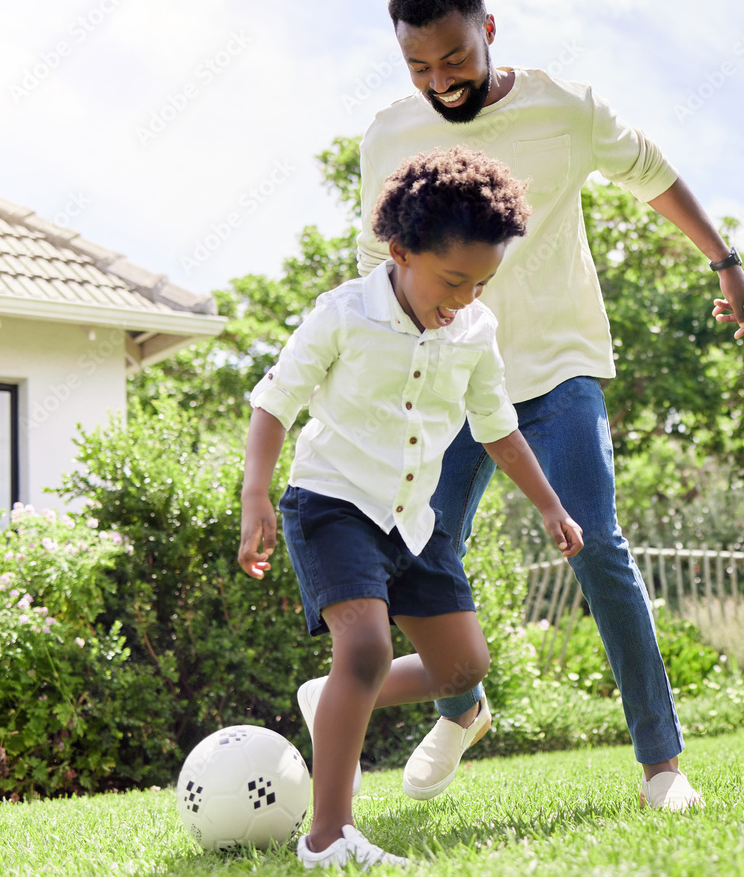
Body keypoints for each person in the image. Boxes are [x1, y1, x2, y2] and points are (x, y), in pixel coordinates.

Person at [351, 0, 744, 812]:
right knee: (421, 556)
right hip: (452, 381)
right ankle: (463, 709)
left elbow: (651, 172)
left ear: (489, 31)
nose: (440, 82)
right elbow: (374, 261)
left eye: (454, 59)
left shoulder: (563, 110)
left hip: (555, 369)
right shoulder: (388, 135)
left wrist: (723, 260)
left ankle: (662, 766)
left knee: (597, 545)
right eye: (419, 68)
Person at [238, 146, 583, 869]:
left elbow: (498, 428)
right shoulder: (344, 313)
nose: (464, 298)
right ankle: (328, 837)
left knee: (464, 670)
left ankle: (331, 695)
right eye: (453, 280)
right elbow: (275, 402)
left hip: (413, 522)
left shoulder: (475, 331)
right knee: (364, 650)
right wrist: (255, 494)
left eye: (481, 283)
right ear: (400, 251)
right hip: (331, 503)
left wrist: (551, 506)